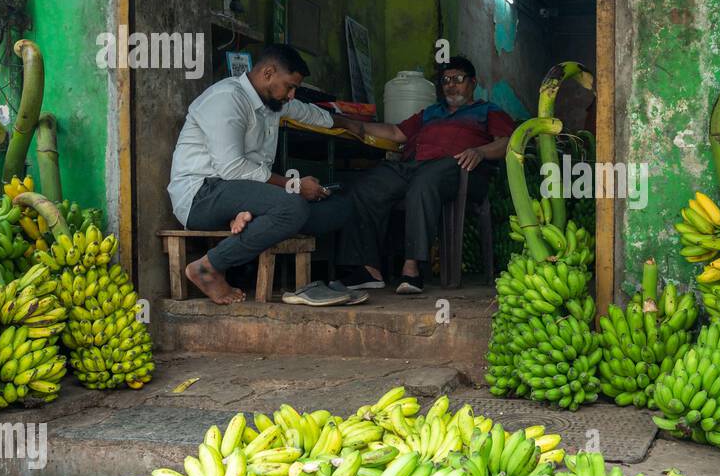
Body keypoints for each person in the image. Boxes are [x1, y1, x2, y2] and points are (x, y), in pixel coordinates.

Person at [167, 44, 386, 304]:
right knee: (292, 206)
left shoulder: (274, 102)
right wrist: (293, 185)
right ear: (268, 73)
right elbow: (231, 168)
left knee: (337, 207)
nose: (292, 95)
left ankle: (250, 216)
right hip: (202, 195)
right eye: (290, 86)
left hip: (241, 192)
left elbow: (311, 113)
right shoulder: (227, 98)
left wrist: (352, 124)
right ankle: (207, 267)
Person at [335, 55, 515, 294]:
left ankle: (412, 269)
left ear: (473, 82)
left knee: (423, 182)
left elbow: (508, 142)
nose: (451, 84)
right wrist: (354, 125)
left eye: (458, 79)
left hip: (461, 169)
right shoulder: (431, 112)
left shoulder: (487, 111)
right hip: (415, 166)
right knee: (367, 186)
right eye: (446, 80)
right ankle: (369, 269)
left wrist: (480, 151)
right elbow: (396, 132)